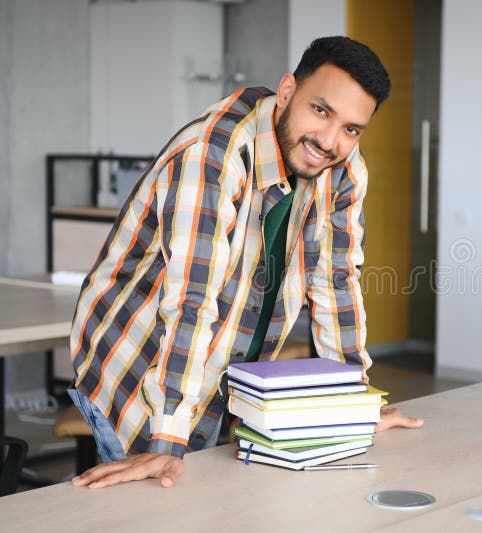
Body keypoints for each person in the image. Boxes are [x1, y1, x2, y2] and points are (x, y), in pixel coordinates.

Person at [69, 36, 422, 490]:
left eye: (352, 129)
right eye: (321, 111)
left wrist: (353, 403)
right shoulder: (213, 153)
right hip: (136, 371)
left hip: (229, 378)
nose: (330, 141)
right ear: (288, 90)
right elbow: (193, 297)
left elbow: (336, 284)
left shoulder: (343, 169)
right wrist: (166, 440)